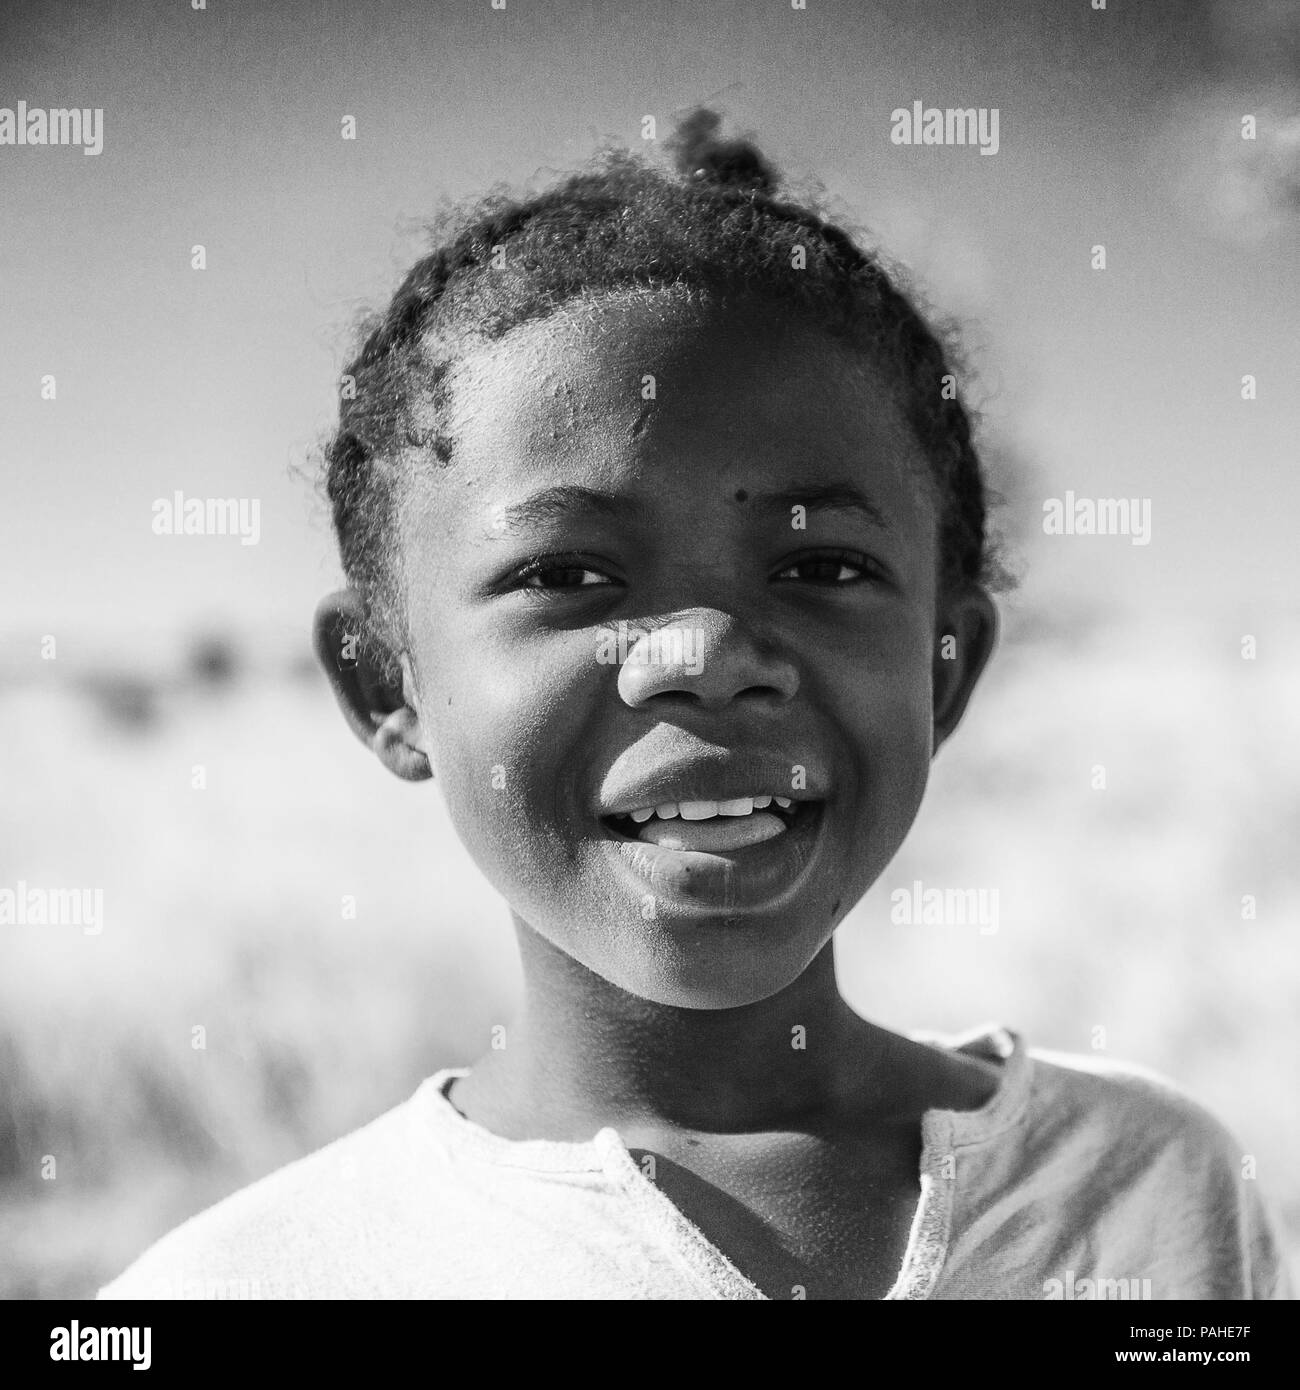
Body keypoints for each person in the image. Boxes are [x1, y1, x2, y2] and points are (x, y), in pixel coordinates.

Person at [100, 109, 1290, 1301]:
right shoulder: (238, 1286)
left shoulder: (1152, 1187)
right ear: (384, 682)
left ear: (944, 664)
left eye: (821, 566)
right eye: (566, 574)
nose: (708, 655)